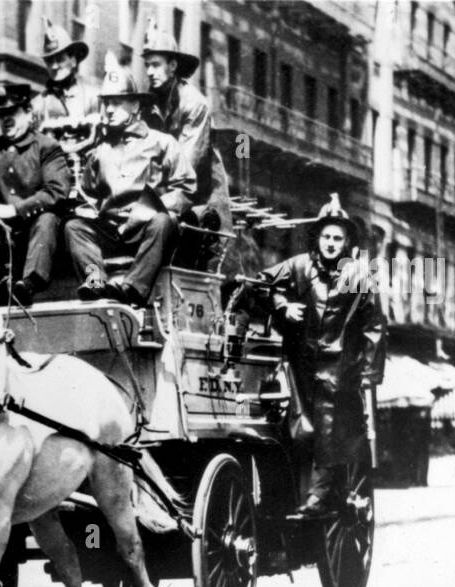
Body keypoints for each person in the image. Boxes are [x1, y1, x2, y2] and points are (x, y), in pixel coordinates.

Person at [255, 197, 386, 516]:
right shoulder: (298, 265)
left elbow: (374, 326)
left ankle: (320, 494)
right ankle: (288, 496)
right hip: (301, 366)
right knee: (300, 429)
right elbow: (259, 284)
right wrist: (283, 305)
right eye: (326, 237)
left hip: (340, 370)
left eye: (337, 238)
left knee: (328, 429)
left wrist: (369, 375)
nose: (330, 244)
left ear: (347, 242)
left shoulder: (358, 275)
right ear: (318, 239)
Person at [63, 68, 196, 304]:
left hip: (146, 229)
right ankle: (95, 279)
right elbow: (88, 196)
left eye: (117, 103)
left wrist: (154, 207)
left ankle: (132, 289)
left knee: (164, 222)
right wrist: (88, 210)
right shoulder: (100, 151)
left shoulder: (162, 143)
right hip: (111, 231)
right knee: (74, 227)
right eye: (106, 103)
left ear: (135, 105)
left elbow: (185, 188)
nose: (110, 110)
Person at [0, 81, 71, 306]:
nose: (6, 119)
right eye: (2, 114)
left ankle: (30, 282)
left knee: (47, 218)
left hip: (36, 232)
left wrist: (14, 209)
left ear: (29, 113)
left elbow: (56, 190)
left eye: (13, 112)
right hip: (2, 233)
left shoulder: (46, 147)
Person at [139, 21, 232, 241]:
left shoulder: (194, 104)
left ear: (172, 66)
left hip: (200, 201)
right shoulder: (148, 105)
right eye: (147, 66)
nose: (150, 72)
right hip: (163, 192)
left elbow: (186, 168)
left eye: (156, 65)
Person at [32, 19, 100, 208]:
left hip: (91, 193)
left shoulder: (94, 98)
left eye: (59, 58)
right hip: (53, 194)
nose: (54, 66)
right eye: (49, 60)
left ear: (74, 59)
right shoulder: (38, 106)